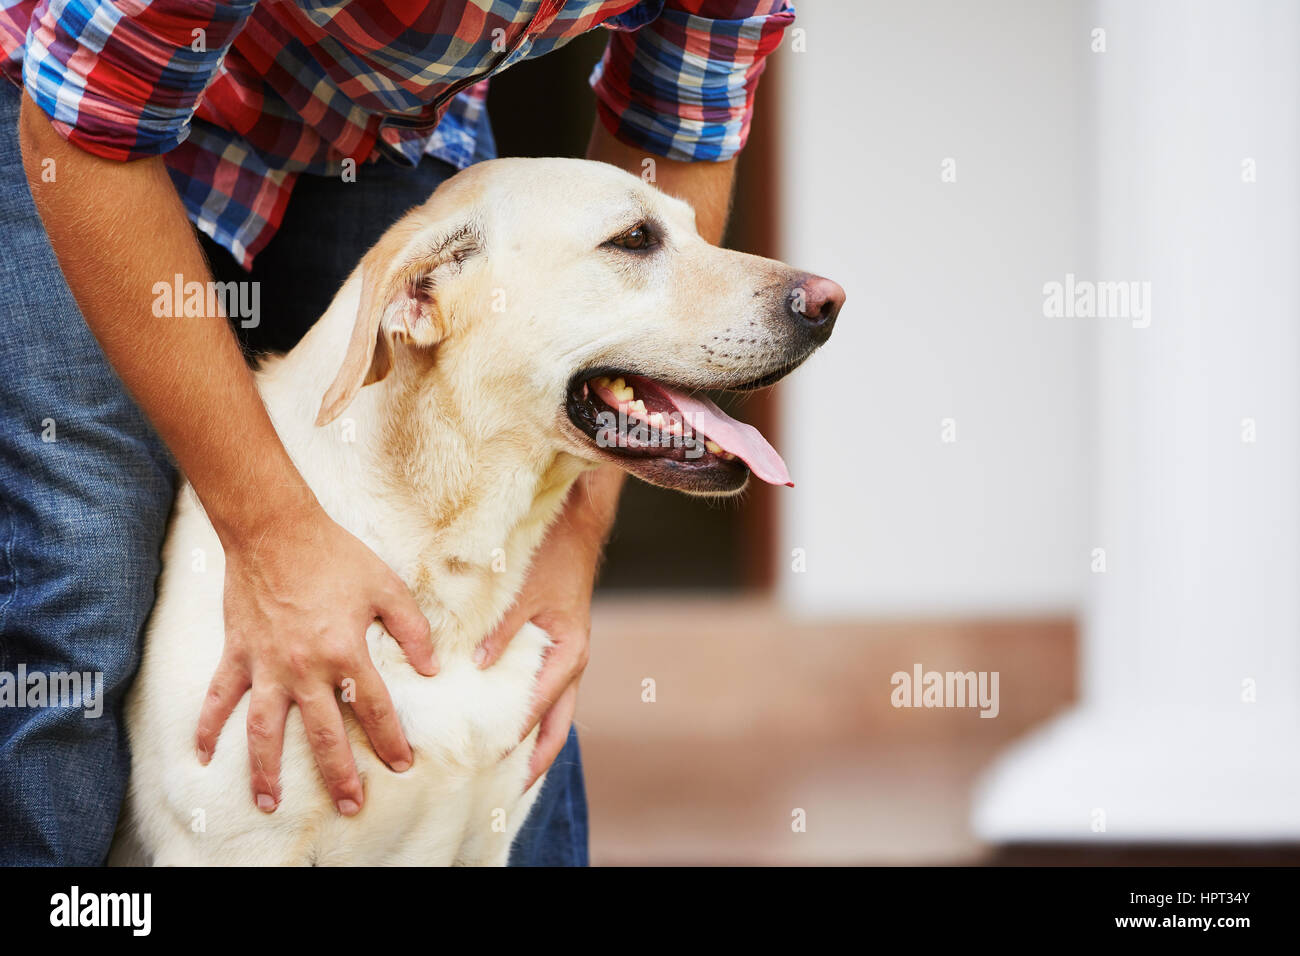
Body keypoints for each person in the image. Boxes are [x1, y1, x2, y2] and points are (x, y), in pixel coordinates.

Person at [0, 0, 793, 865]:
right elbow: (84, 122)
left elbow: (675, 133)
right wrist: (273, 536)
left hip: (382, 121)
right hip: (75, 114)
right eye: (632, 241)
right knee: (83, 568)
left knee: (518, 628)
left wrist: (572, 532)